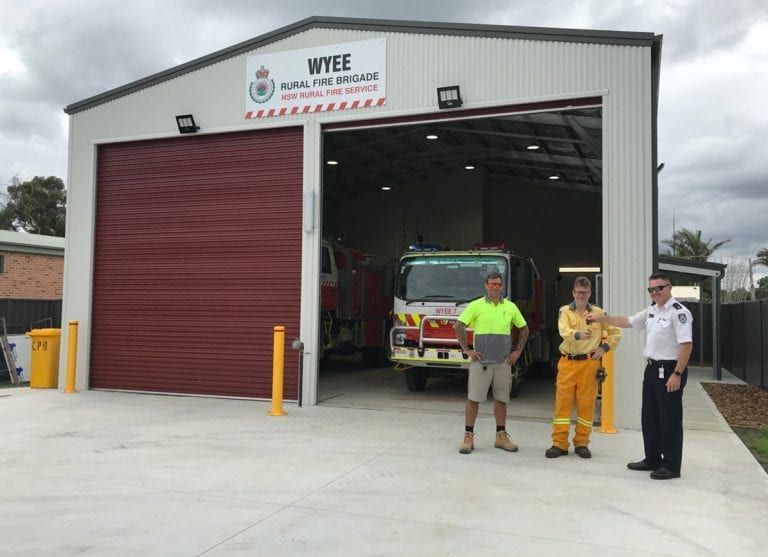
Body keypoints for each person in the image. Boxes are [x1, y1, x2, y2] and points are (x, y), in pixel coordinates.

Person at [587, 272, 693, 480]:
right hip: (652, 369)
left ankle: (671, 466)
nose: (654, 293)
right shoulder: (653, 311)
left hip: (670, 370)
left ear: (669, 288)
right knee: (650, 417)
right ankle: (652, 459)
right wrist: (600, 318)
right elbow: (627, 321)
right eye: (651, 290)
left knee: (669, 419)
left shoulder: (679, 313)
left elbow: (686, 346)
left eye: (658, 289)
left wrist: (677, 373)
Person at [546, 276, 621, 459]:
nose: (581, 295)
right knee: (562, 404)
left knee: (586, 404)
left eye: (585, 293)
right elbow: (563, 330)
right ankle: (559, 443)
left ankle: (582, 443)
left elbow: (616, 331)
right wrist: (579, 334)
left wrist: (604, 348)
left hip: (589, 364)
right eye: (578, 292)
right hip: (568, 362)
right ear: (573, 292)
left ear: (590, 294)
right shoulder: (564, 311)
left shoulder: (598, 312)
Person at [454, 272, 529, 454]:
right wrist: (467, 350)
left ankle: (501, 436)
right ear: (486, 286)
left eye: (498, 284)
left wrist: (517, 352)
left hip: (503, 363)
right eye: (492, 284)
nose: (495, 287)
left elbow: (524, 329)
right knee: (473, 399)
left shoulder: (510, 307)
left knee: (501, 399)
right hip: (481, 363)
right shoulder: (476, 305)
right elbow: (459, 325)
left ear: (502, 286)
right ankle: (468, 436)